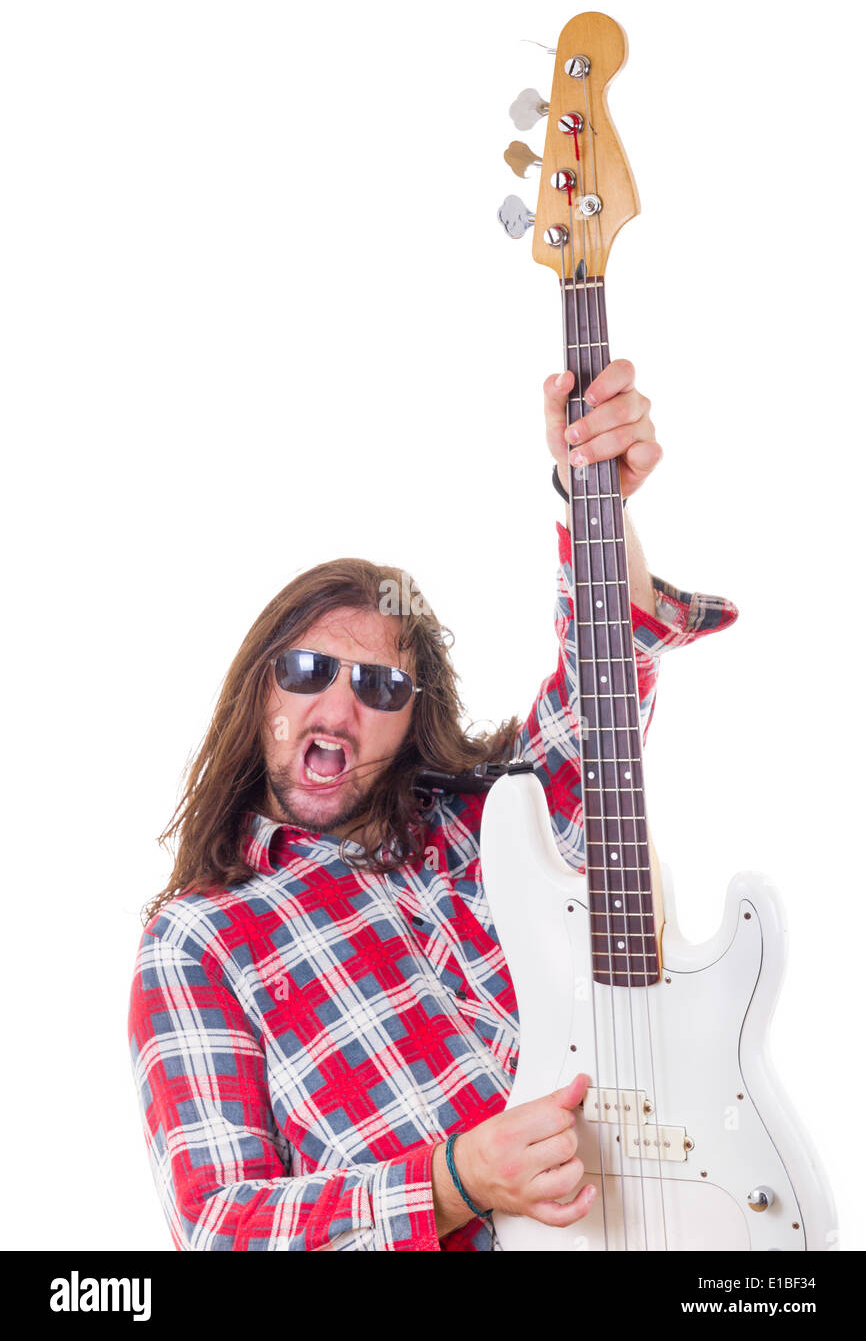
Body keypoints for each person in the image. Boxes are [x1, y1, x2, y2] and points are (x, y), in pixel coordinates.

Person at [128, 360, 738, 1250]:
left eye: (380, 685)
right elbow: (222, 1226)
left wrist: (591, 495)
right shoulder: (199, 938)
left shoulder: (487, 830)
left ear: (412, 719)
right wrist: (456, 1179)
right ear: (260, 695)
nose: (338, 708)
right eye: (307, 672)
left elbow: (599, 686)